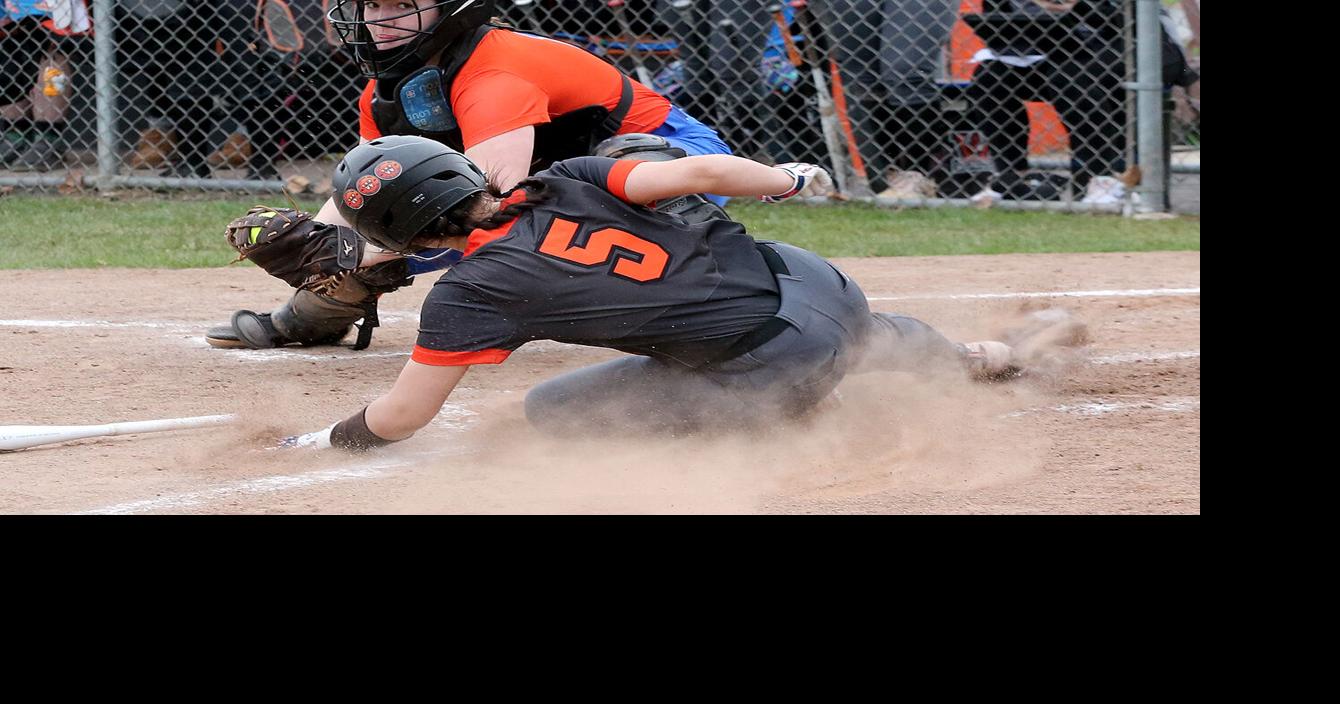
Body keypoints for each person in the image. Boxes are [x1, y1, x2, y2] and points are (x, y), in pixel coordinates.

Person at [270, 135, 1021, 451]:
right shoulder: (568, 175)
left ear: (400, 233)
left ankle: (789, 421)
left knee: (551, 410)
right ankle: (967, 354)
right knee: (815, 319)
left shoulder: (469, 295)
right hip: (820, 284)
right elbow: (698, 173)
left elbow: (404, 415)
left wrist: (335, 439)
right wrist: (787, 180)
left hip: (781, 361)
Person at [205, 0, 736, 352]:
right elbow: (368, 191)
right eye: (373, 6)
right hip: (552, 179)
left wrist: (362, 247)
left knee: (625, 168)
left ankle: (718, 303)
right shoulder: (384, 92)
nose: (380, 20)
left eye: (401, 6)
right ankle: (314, 317)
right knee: (391, 210)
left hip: (671, 159)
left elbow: (488, 203)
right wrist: (325, 246)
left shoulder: (493, 71)